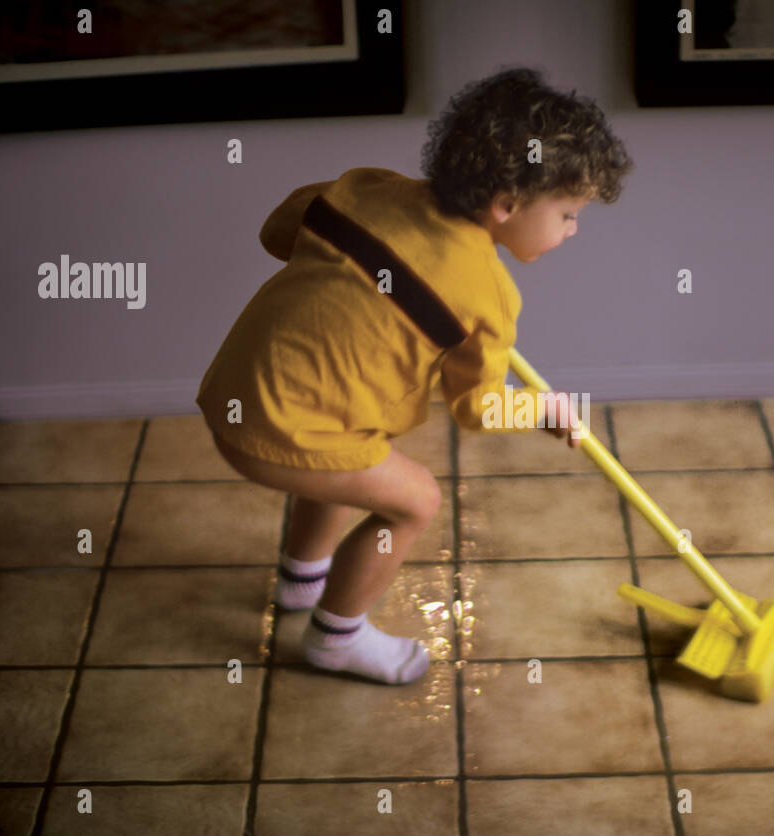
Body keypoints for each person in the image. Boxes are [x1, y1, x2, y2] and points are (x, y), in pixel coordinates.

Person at [195, 67, 632, 684]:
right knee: (414, 501)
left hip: (237, 390)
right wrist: (543, 410)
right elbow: (475, 410)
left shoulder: (365, 187)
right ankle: (336, 637)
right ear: (506, 205)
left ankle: (301, 581)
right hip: (287, 432)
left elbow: (278, 233)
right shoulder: (488, 296)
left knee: (355, 462)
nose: (573, 228)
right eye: (566, 213)